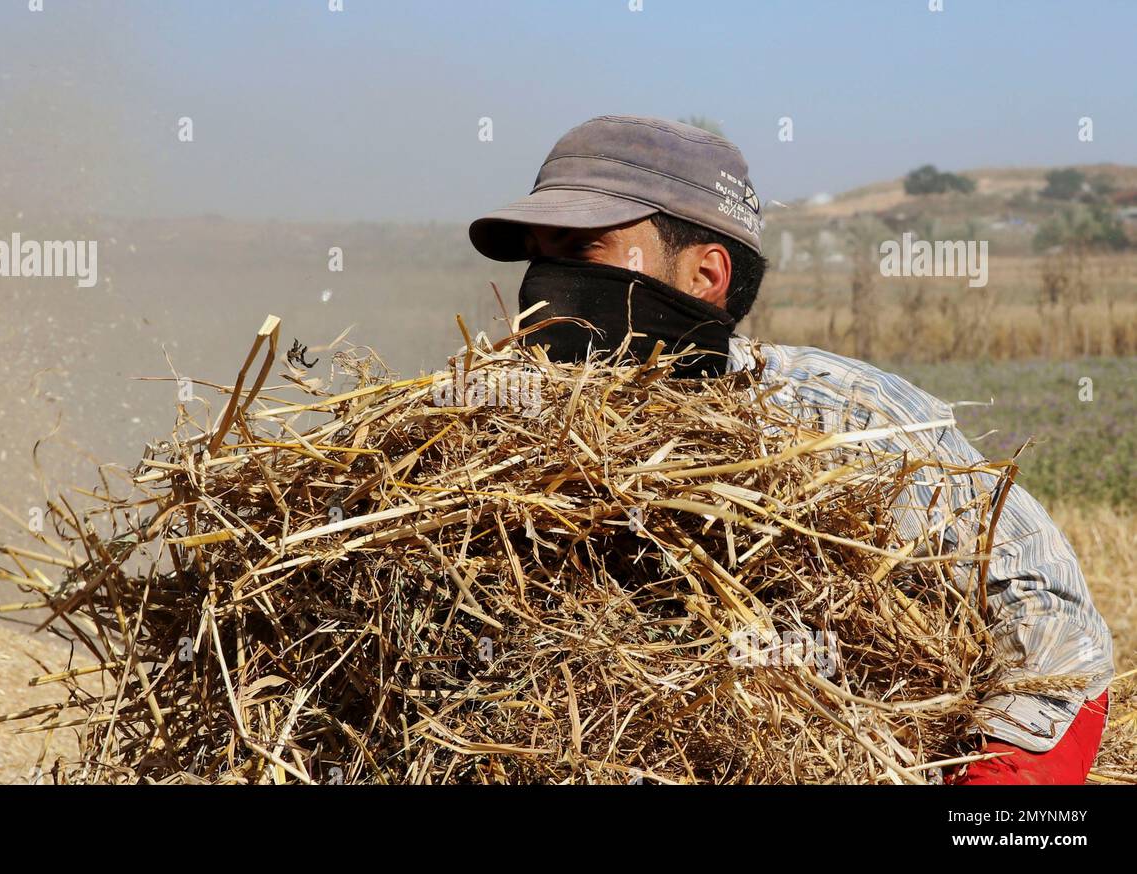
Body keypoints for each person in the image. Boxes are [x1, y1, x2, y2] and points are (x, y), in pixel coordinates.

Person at [468, 115, 1114, 784]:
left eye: (580, 253)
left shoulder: (844, 420)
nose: (545, 287)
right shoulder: (498, 437)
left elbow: (1052, 622)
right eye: (539, 256)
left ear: (703, 275)